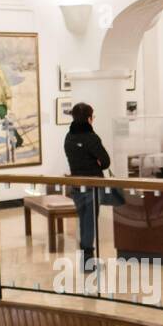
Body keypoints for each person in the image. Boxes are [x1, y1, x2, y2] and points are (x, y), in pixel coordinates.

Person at [64, 102, 111, 269]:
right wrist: (95, 162)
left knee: (83, 220)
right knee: (90, 221)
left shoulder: (69, 137)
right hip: (92, 185)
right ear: (89, 118)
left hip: (76, 185)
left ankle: (86, 259)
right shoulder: (91, 137)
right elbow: (105, 162)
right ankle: (88, 261)